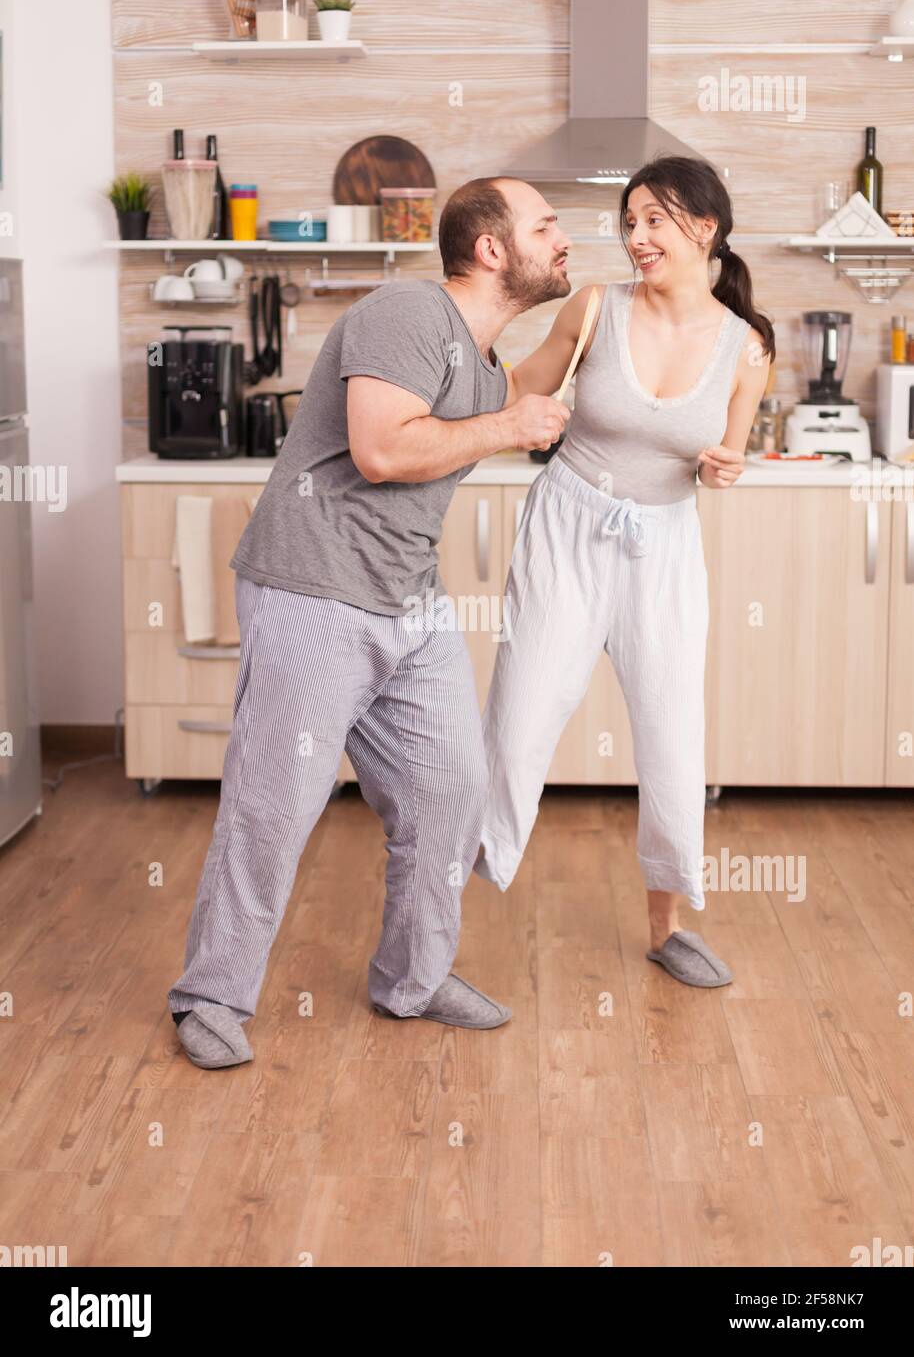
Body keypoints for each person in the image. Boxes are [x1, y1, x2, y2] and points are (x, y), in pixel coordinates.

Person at [167, 177, 572, 1068]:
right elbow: (384, 448)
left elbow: (511, 400)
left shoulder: (484, 362)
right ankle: (211, 996)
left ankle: (413, 981)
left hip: (409, 604)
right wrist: (511, 426)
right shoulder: (407, 312)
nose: (564, 238)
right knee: (275, 804)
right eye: (547, 225)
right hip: (314, 589)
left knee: (450, 790)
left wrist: (582, 343)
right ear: (492, 249)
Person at [474, 156, 774, 989]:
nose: (635, 238)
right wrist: (449, 404)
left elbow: (728, 457)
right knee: (521, 714)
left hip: (664, 547)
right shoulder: (596, 306)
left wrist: (721, 471)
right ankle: (451, 885)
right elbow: (523, 387)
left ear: (704, 229)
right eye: (630, 221)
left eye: (655, 221)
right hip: (567, 525)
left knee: (673, 734)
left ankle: (667, 926)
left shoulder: (747, 350)